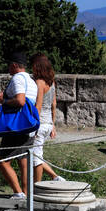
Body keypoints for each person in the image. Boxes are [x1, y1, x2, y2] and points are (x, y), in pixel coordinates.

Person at [0, 49, 38, 201]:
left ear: (14, 65)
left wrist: (4, 101)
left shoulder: (17, 79)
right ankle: (26, 194)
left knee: (1, 160)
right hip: (29, 126)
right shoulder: (32, 81)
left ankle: (18, 192)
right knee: (23, 160)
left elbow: (20, 101)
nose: (8, 68)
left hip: (16, 127)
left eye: (9, 65)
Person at [29, 53, 66, 184]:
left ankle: (36, 188)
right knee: (35, 155)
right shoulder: (51, 82)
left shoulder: (39, 83)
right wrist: (53, 125)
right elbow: (54, 103)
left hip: (40, 124)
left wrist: (33, 125)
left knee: (35, 158)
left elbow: (37, 107)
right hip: (48, 123)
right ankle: (55, 177)